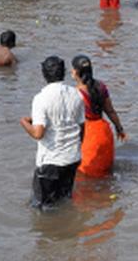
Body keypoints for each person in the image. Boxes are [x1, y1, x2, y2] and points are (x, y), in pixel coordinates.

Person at [21, 56, 86, 209]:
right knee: (64, 200)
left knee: (42, 207)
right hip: (72, 158)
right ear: (63, 72)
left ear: (44, 74)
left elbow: (38, 134)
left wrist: (24, 123)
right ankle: (69, 230)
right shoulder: (76, 94)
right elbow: (81, 127)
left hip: (50, 161)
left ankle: (51, 231)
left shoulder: (41, 98)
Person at [72, 55, 125, 177]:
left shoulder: (75, 93)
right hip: (104, 134)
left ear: (76, 72)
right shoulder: (101, 86)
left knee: (85, 179)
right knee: (106, 174)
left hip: (88, 136)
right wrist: (120, 129)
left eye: (73, 69)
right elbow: (110, 111)